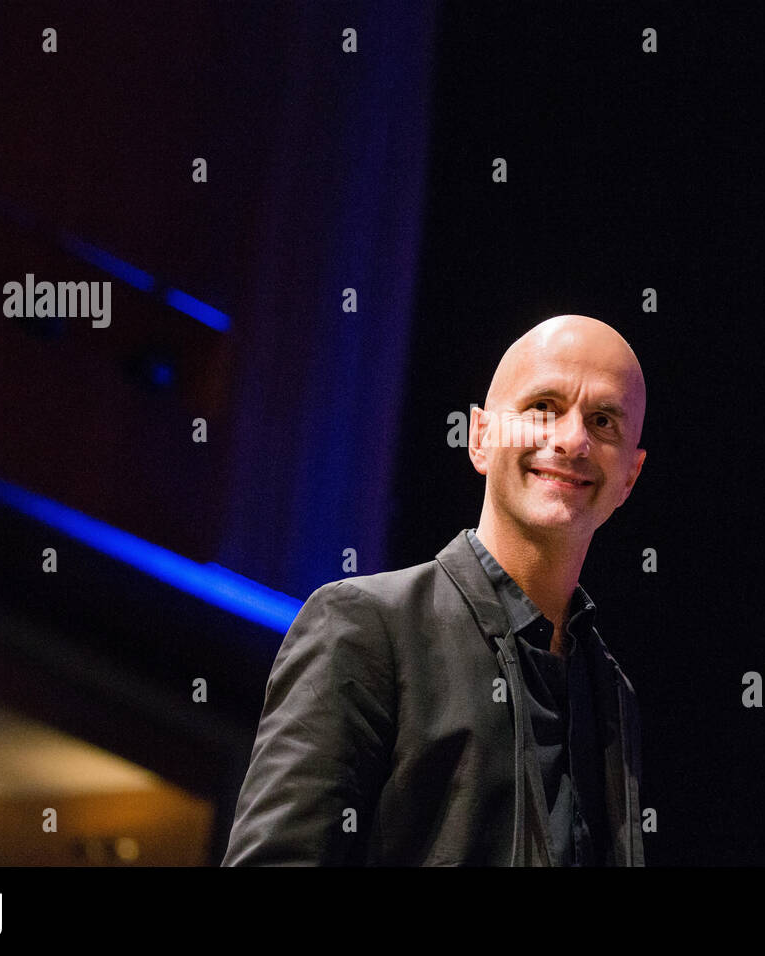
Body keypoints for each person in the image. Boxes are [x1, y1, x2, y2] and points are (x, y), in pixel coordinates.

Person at [222, 314, 648, 865]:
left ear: (630, 478)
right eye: (543, 407)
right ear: (480, 437)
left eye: (604, 420)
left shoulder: (611, 692)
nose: (572, 440)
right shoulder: (364, 626)